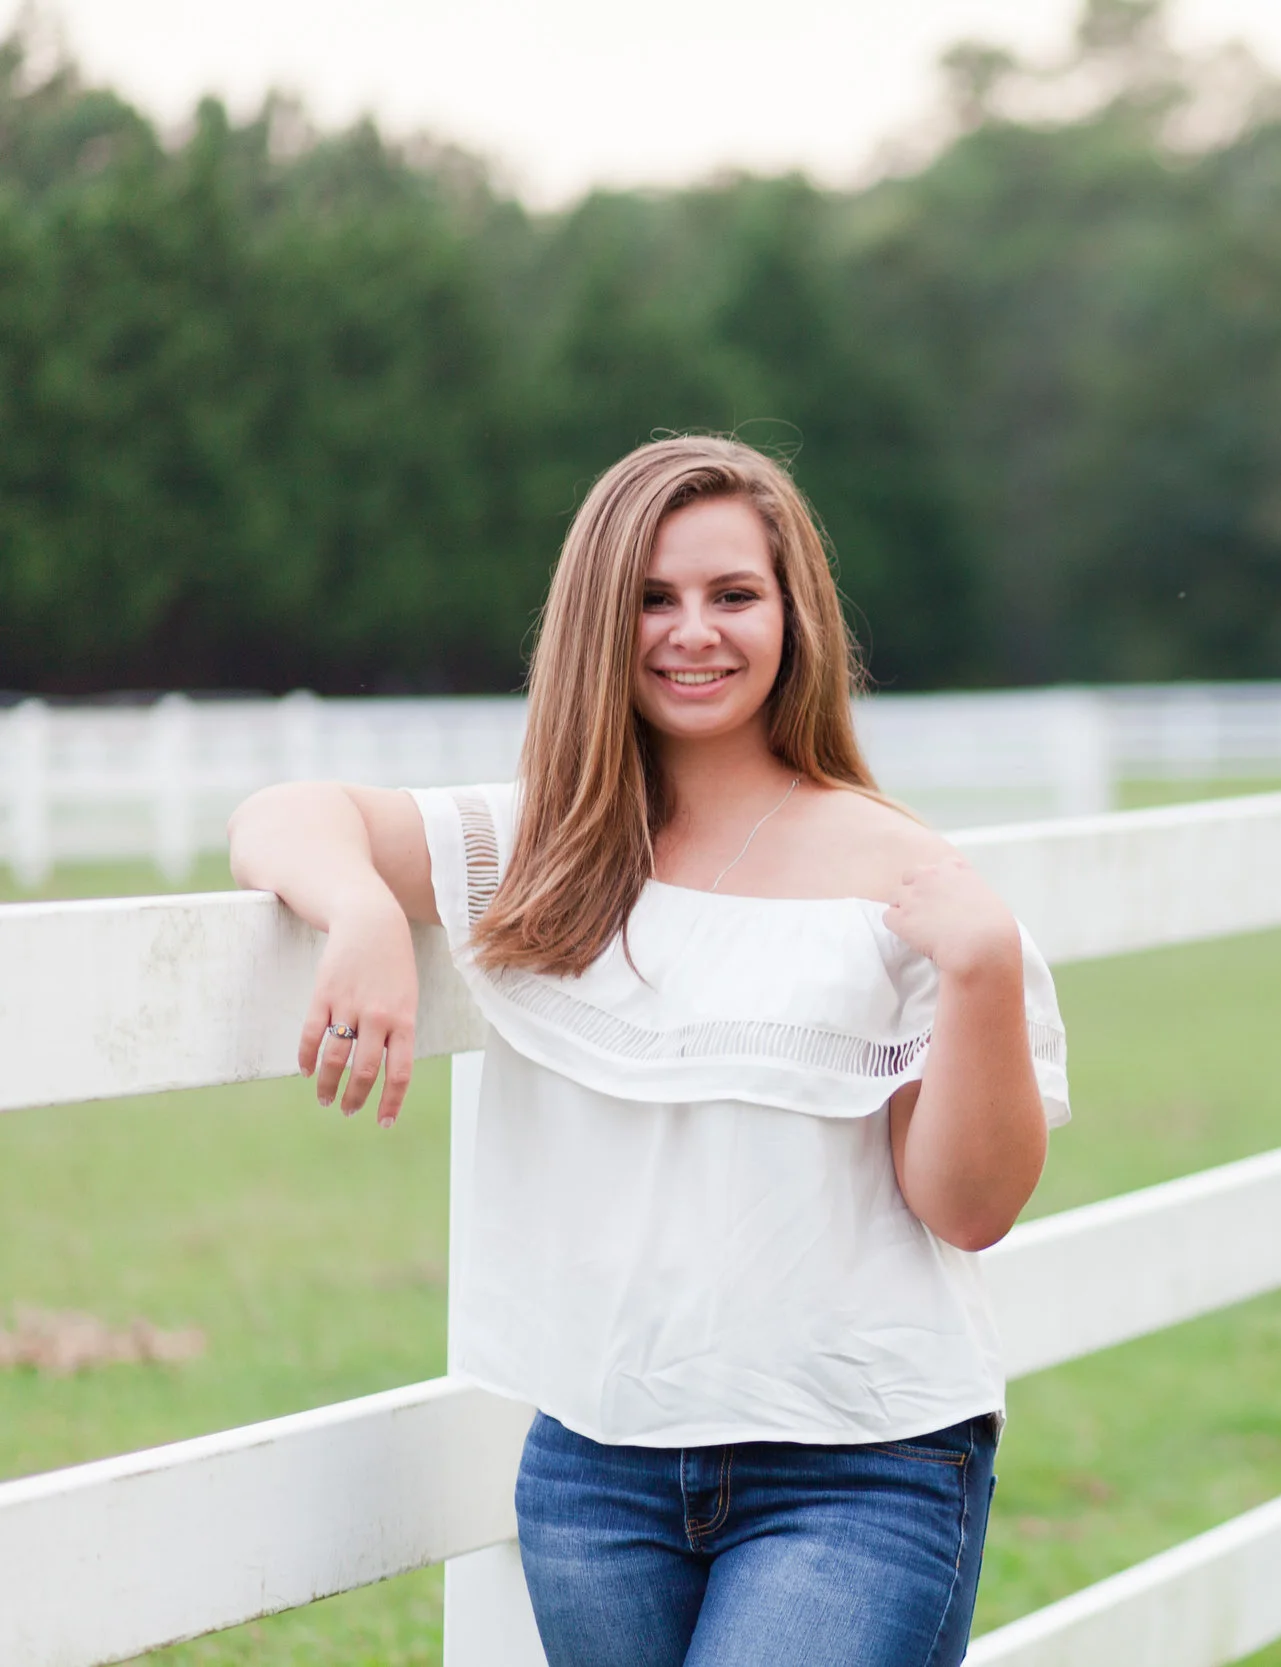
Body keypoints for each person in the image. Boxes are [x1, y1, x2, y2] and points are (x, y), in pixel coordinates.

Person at [226, 435, 1068, 1667]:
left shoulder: (899, 878)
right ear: (594, 620)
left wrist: (983, 973)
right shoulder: (544, 850)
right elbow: (283, 814)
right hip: (596, 1469)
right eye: (652, 599)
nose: (693, 632)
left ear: (794, 615)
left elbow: (970, 1204)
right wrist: (360, 913)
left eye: (734, 595)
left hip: (856, 1467)